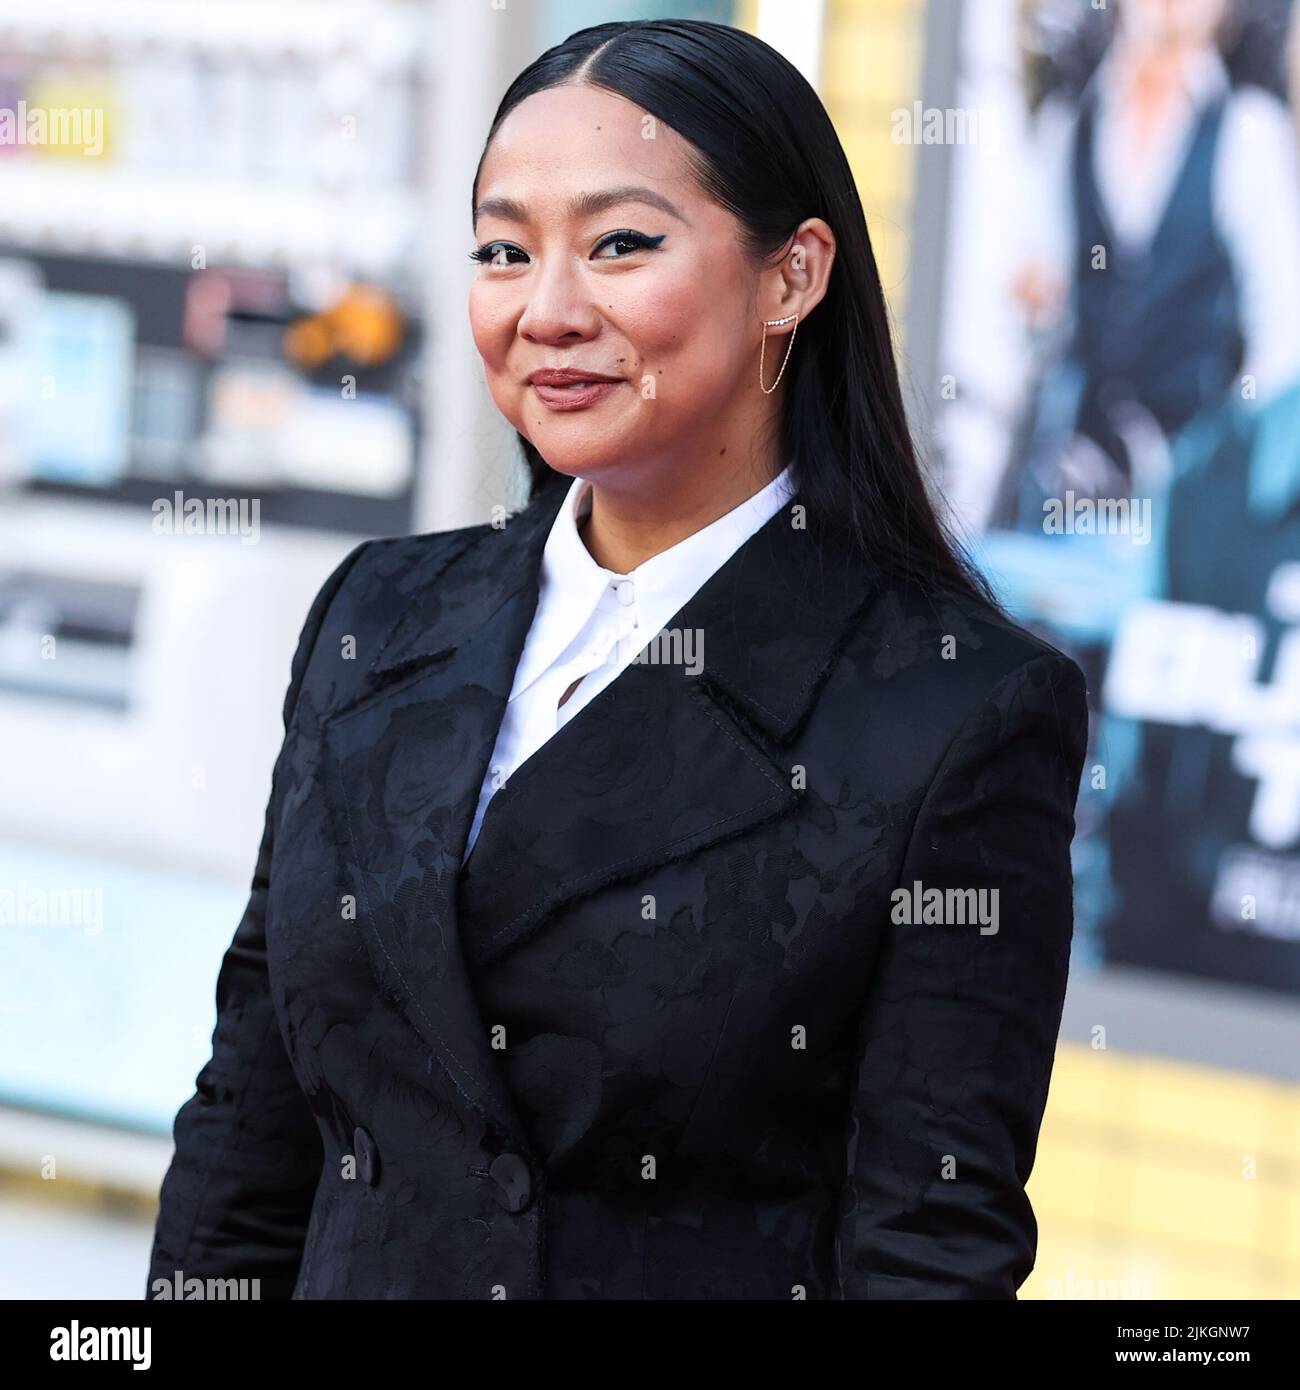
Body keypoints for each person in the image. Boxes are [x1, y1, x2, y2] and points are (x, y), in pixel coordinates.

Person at [146, 18, 1088, 1301]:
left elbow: (926, 1246)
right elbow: (248, 1122)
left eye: (620, 245)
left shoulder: (950, 707)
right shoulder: (379, 613)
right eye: (502, 249)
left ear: (791, 278)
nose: (546, 310)